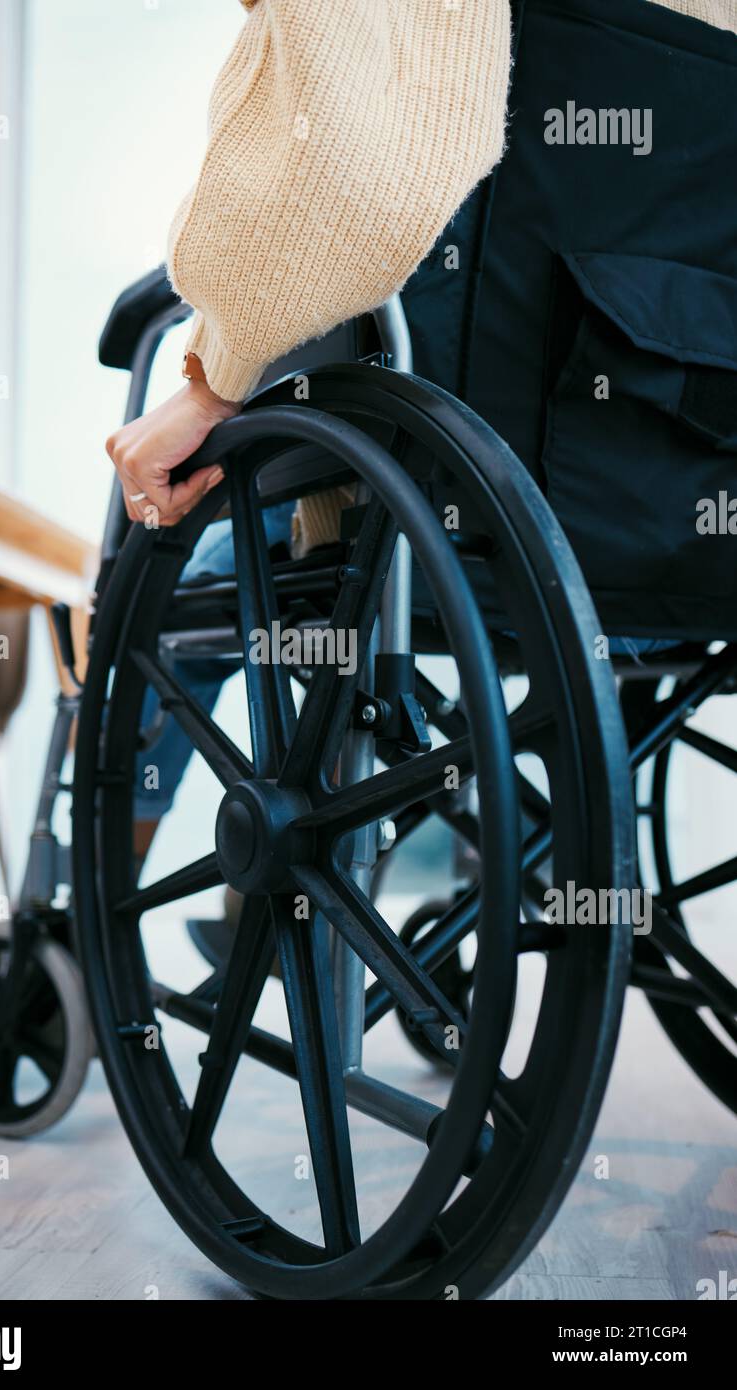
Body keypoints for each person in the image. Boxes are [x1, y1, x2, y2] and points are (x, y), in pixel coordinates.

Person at [105, 0, 737, 900]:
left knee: (189, 579)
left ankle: (95, 907)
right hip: (675, 521)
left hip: (461, 512)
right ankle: (514, 863)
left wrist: (218, 374)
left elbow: (359, 174)